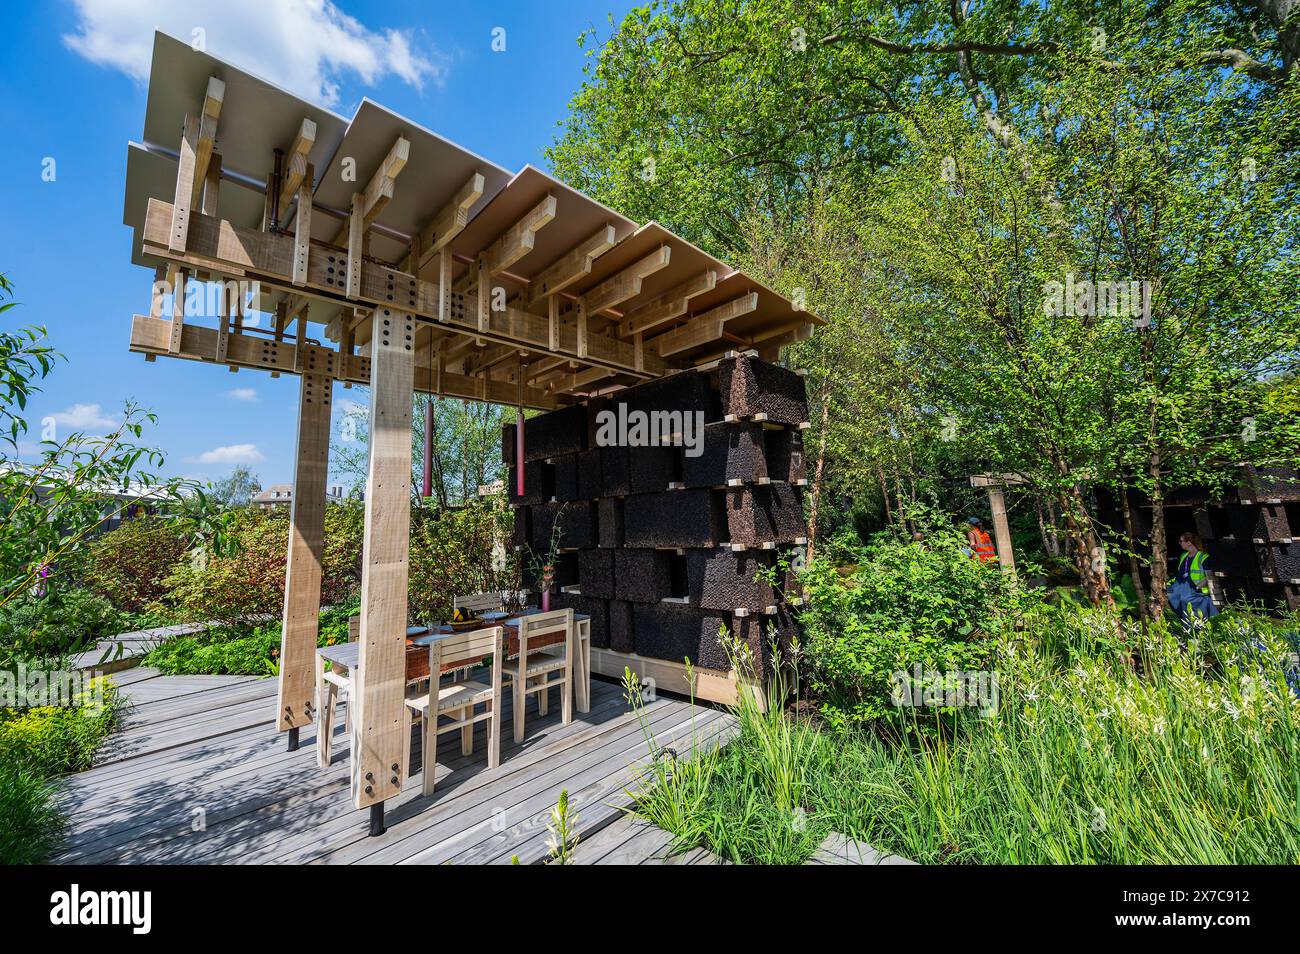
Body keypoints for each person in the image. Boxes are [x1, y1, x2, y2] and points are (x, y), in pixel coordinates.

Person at [1167, 531, 1219, 626]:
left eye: (1181, 541)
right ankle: (1183, 621)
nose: (1179, 543)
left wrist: (1197, 587)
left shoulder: (1203, 557)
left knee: (1184, 599)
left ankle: (1194, 625)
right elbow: (1179, 574)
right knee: (1168, 593)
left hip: (1196, 588)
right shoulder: (1183, 556)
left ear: (1189, 542)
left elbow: (1209, 577)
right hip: (1182, 586)